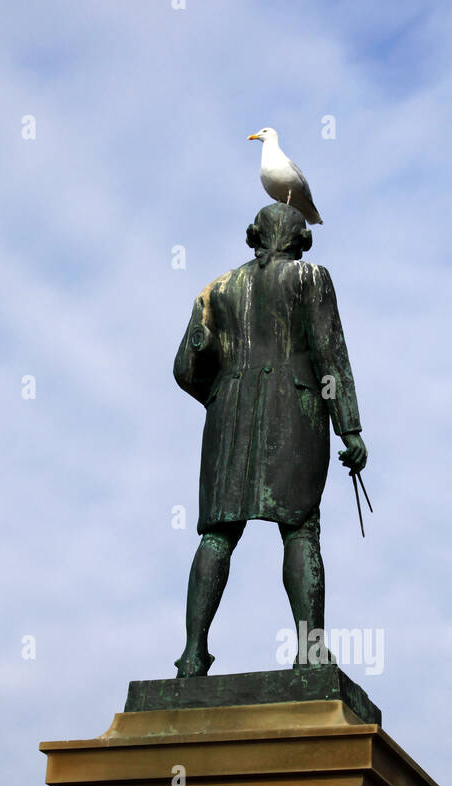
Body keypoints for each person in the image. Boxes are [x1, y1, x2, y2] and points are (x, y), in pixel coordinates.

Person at [172, 202, 367, 676]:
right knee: (300, 529)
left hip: (228, 418)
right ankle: (309, 650)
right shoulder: (311, 279)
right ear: (300, 242)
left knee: (217, 536)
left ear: (253, 237)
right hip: (294, 414)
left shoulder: (217, 289)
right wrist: (350, 428)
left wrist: (220, 394)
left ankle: (193, 655)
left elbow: (184, 369)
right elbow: (329, 356)